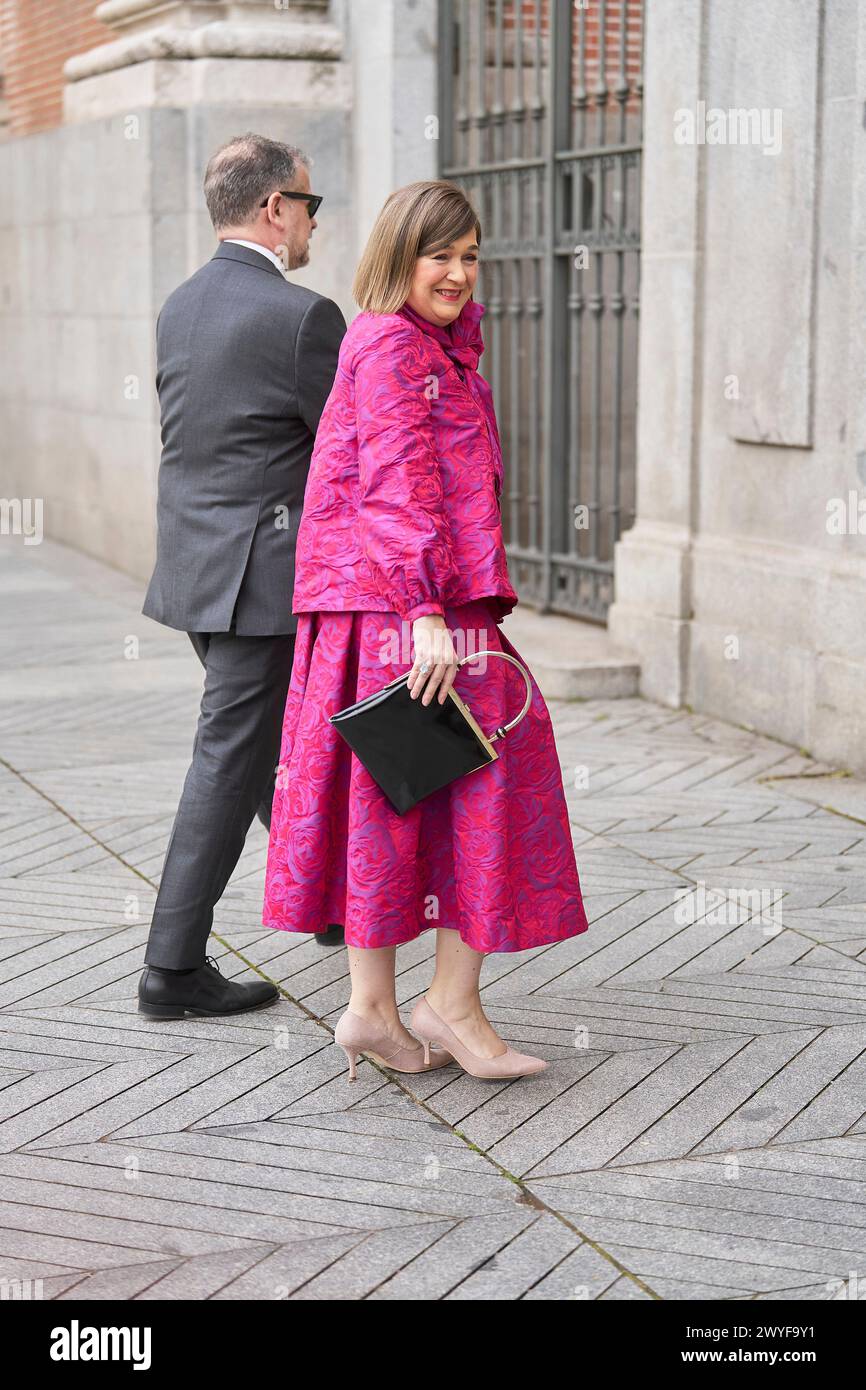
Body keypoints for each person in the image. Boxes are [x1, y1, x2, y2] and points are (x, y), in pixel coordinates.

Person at [263, 180, 589, 1078]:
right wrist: (426, 618)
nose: (456, 271)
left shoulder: (422, 346)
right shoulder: (395, 347)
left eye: (470, 255)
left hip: (390, 609)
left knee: (391, 795)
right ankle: (449, 1006)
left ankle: (373, 1008)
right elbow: (398, 486)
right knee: (497, 777)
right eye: (439, 254)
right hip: (415, 610)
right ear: (399, 257)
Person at [138, 133, 346, 1021]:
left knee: (257, 750)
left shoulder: (180, 305)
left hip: (194, 569)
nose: (310, 222)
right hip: (260, 577)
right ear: (273, 209)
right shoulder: (302, 316)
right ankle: (173, 968)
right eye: (309, 203)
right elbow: (347, 458)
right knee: (230, 757)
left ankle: (333, 899)